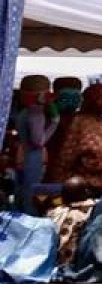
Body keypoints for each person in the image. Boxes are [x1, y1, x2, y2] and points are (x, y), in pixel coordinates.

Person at [13, 74, 58, 213]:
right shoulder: (35, 114)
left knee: (20, 192)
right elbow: (39, 141)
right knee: (30, 195)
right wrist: (54, 123)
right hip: (33, 158)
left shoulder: (24, 113)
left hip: (23, 155)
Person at [46, 176, 96, 269]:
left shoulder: (52, 213)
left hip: (50, 262)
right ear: (85, 192)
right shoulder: (90, 211)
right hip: (74, 263)